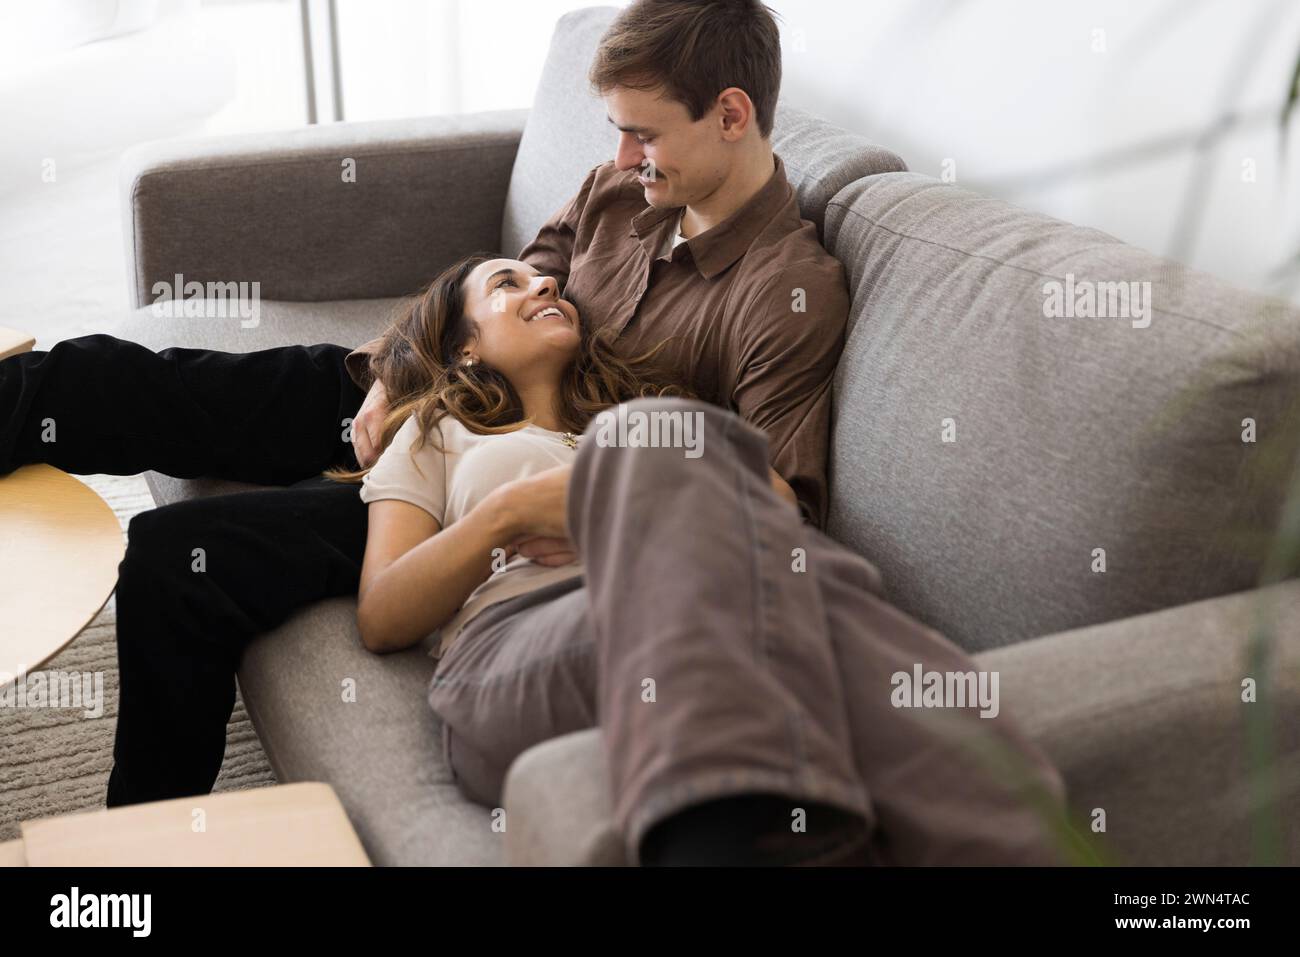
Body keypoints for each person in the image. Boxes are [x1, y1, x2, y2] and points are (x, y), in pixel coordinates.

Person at [0, 0, 1069, 863]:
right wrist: (406, 366)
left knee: (182, 565)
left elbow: (777, 503)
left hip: (526, 464)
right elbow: (513, 275)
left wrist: (584, 495)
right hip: (451, 379)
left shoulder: (784, 292)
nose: (618, 153)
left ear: (732, 115)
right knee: (105, 380)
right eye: (615, 128)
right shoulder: (624, 183)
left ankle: (129, 865)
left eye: (643, 131)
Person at [337, 252, 1070, 867]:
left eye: (547, 280)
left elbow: (777, 508)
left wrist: (626, 478)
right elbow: (383, 613)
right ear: (464, 345)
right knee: (825, 600)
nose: (545, 285)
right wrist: (512, 513)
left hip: (694, 605)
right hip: (514, 652)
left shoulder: (631, 415)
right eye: (507, 284)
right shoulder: (441, 431)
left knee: (667, 442)